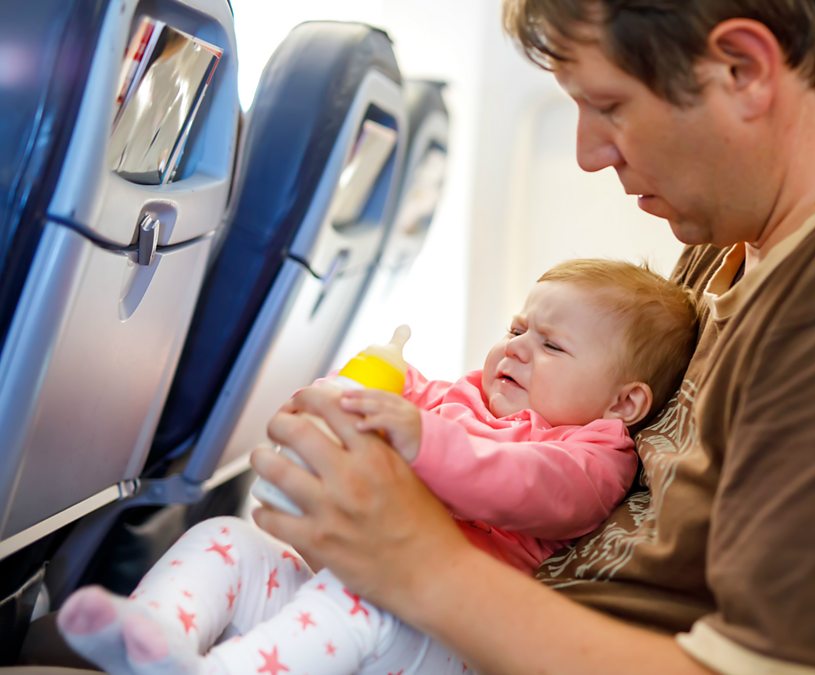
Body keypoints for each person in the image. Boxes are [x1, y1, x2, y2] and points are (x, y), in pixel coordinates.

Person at [250, 1, 815, 673]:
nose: (585, 154)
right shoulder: (732, 244)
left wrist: (417, 560)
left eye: (608, 106)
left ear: (743, 69)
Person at [54, 258, 699, 674]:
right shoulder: (458, 395)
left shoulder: (592, 454)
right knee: (225, 537)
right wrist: (344, 393)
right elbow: (380, 398)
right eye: (518, 326)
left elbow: (525, 489)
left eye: (552, 344)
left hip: (442, 637)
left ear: (625, 400)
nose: (518, 348)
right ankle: (157, 637)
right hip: (344, 596)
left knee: (353, 600)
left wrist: (423, 441)